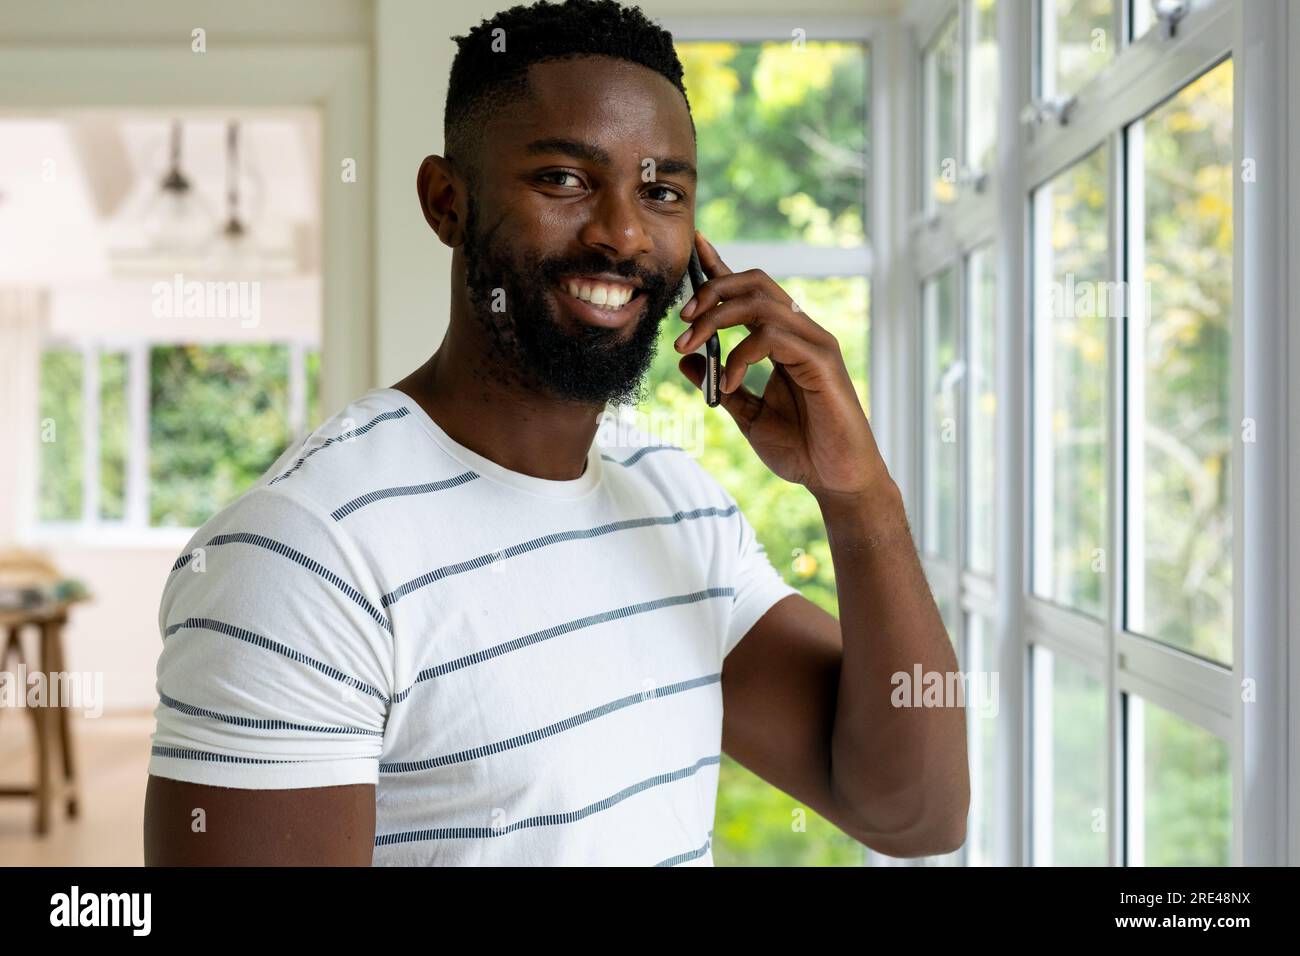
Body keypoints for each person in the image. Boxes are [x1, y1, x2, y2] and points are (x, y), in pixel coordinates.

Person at [143, 0, 968, 866]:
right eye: (565, 180)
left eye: (661, 193)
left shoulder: (677, 503)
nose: (621, 231)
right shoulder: (303, 555)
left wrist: (859, 495)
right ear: (445, 202)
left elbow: (914, 815)